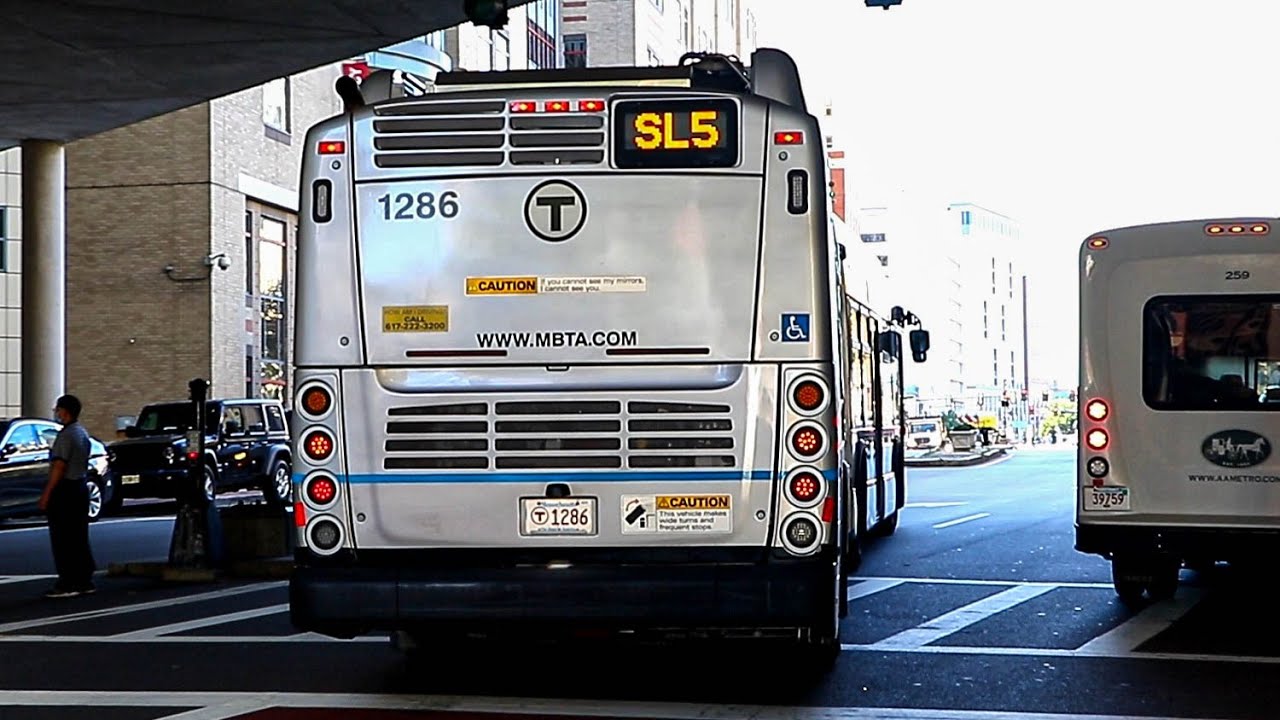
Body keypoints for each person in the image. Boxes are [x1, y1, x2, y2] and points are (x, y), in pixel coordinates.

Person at [37, 394, 97, 598]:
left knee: (63, 537)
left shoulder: (66, 436)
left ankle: (68, 581)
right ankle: (84, 579)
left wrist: (47, 494)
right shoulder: (82, 433)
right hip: (80, 487)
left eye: (58, 410)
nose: (56, 413)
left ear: (65, 411)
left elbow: (59, 466)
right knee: (78, 536)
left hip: (66, 490)